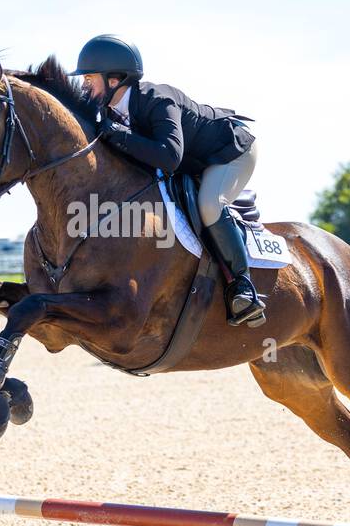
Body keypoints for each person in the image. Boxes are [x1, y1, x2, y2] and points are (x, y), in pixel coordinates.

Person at [70, 34, 266, 327]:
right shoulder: (107, 112)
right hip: (192, 161)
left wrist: (117, 135)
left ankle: (242, 286)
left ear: (114, 80)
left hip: (229, 153)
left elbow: (169, 156)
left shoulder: (157, 99)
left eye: (89, 78)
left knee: (209, 204)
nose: (84, 86)